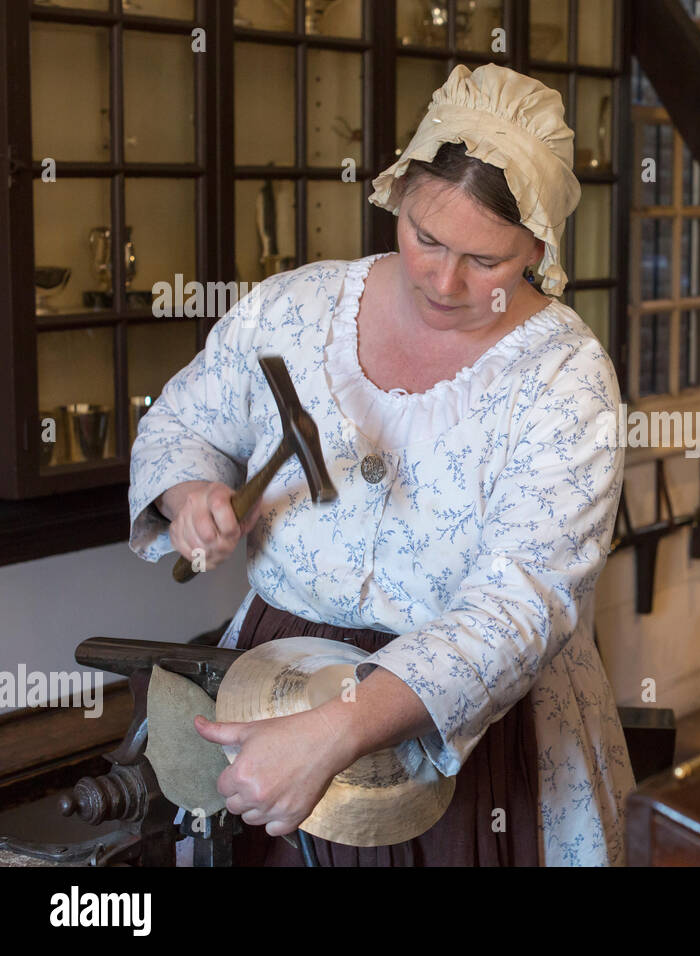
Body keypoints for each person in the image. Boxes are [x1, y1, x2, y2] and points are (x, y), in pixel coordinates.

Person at [127, 64, 634, 866]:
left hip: (467, 718)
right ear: (398, 194)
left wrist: (339, 729)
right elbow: (185, 422)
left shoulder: (564, 376)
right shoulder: (294, 309)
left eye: (488, 261)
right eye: (427, 238)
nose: (444, 279)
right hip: (275, 667)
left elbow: (523, 604)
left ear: (539, 246)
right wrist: (189, 491)